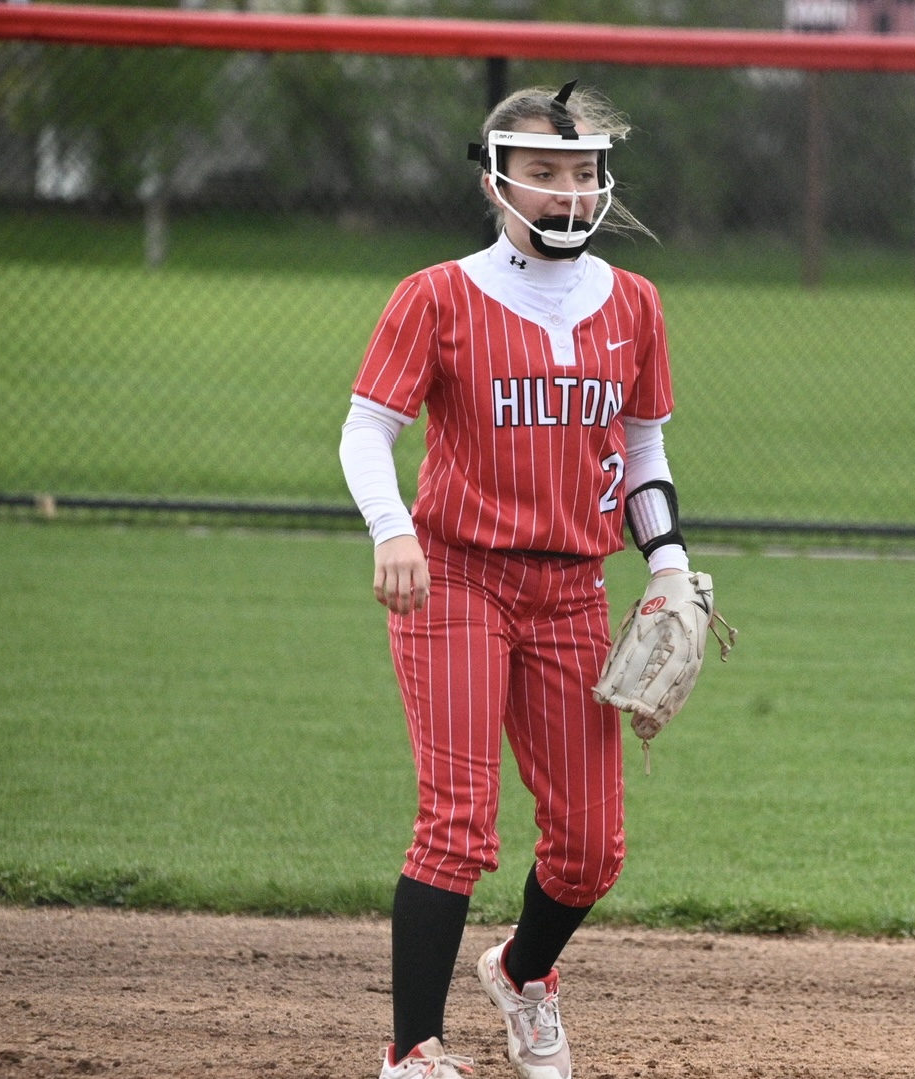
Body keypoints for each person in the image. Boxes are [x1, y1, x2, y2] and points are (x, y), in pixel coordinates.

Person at [339, 81, 702, 1079]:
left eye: (580, 173)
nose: (564, 192)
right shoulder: (437, 295)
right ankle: (414, 1050)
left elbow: (643, 447)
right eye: (542, 174)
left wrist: (666, 565)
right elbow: (368, 429)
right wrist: (390, 529)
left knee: (591, 845)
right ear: (498, 180)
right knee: (457, 822)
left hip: (572, 590)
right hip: (454, 576)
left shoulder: (634, 303)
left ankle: (524, 971)